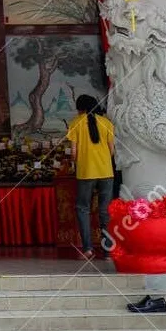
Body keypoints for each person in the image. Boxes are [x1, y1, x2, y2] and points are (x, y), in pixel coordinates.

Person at [67, 94, 116, 261]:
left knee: (83, 209)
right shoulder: (107, 123)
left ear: (81, 108)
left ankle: (88, 249)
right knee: (105, 211)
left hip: (86, 172)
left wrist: (73, 162)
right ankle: (108, 252)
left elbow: (73, 152)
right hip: (106, 173)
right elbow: (111, 151)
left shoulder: (76, 123)